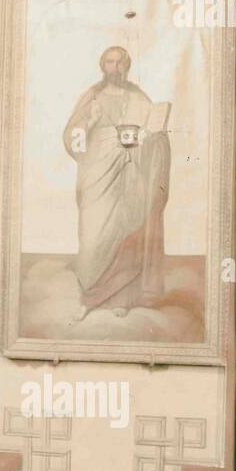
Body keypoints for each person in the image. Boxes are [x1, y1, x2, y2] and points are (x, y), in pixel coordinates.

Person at [62, 47, 170, 319]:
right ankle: (88, 298)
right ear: (103, 65)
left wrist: (149, 138)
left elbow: (156, 134)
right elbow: (72, 137)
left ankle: (120, 297)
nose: (116, 67)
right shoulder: (93, 96)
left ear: (127, 66)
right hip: (97, 171)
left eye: (121, 62)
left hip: (129, 172)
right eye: (110, 62)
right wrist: (91, 121)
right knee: (93, 236)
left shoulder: (138, 97)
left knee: (126, 231)